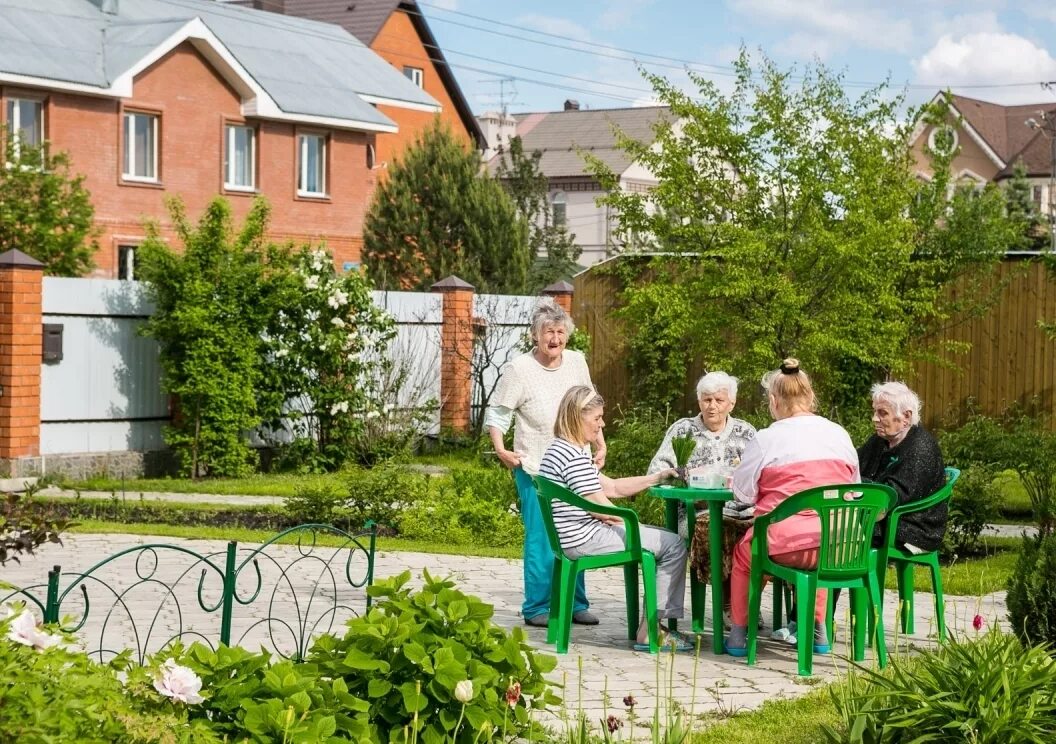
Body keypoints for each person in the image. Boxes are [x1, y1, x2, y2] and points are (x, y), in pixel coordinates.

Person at [724, 359, 859, 657]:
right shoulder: (840, 434)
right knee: (822, 537)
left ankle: (738, 633)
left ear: (773, 402)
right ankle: (818, 630)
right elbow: (854, 489)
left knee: (746, 554)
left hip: (784, 544)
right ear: (810, 397)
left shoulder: (766, 438)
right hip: (839, 545)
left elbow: (743, 495)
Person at [538, 386, 689, 650]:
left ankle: (650, 626)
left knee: (659, 538)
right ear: (577, 417)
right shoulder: (573, 456)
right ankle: (651, 630)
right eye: (596, 418)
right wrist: (633, 523)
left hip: (574, 537)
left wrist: (657, 476)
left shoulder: (561, 449)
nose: (602, 424)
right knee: (674, 544)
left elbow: (614, 488)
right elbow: (602, 510)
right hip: (585, 539)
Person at [484, 297, 605, 628]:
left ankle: (576, 602)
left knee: (576, 531)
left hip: (576, 464)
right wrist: (501, 449)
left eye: (560, 331)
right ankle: (537, 606)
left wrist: (600, 442)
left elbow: (591, 406)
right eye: (548, 331)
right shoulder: (519, 369)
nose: (555, 338)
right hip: (535, 467)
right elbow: (498, 413)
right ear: (534, 336)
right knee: (542, 536)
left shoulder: (577, 362)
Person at [648, 372, 756, 625]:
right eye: (706, 400)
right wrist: (683, 478)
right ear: (699, 402)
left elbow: (761, 474)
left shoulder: (746, 433)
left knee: (755, 532)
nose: (712, 406)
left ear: (732, 403)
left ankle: (742, 603)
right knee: (714, 529)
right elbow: (656, 471)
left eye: (719, 400)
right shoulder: (682, 430)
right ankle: (730, 606)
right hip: (693, 513)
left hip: (741, 510)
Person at [859, 381, 947, 552]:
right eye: (875, 412)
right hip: (885, 516)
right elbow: (855, 465)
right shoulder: (880, 441)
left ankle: (839, 576)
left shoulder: (921, 448)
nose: (874, 418)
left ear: (906, 417)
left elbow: (893, 495)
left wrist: (856, 486)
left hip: (914, 526)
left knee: (842, 528)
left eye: (882, 413)